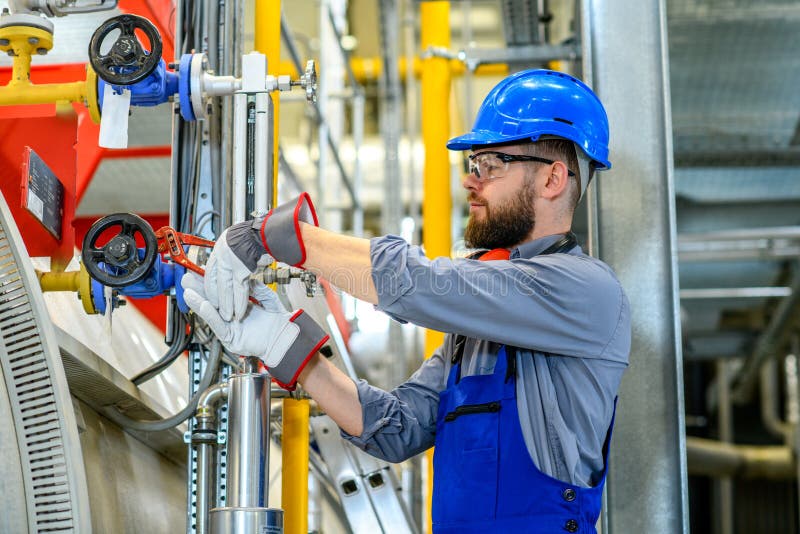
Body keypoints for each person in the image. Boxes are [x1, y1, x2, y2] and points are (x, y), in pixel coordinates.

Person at [182, 69, 631, 534]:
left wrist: (272, 235)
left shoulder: (585, 291)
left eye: (489, 165)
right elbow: (396, 428)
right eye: (471, 166)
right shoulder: (478, 332)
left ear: (553, 179)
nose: (470, 182)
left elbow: (416, 283)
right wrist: (282, 344)